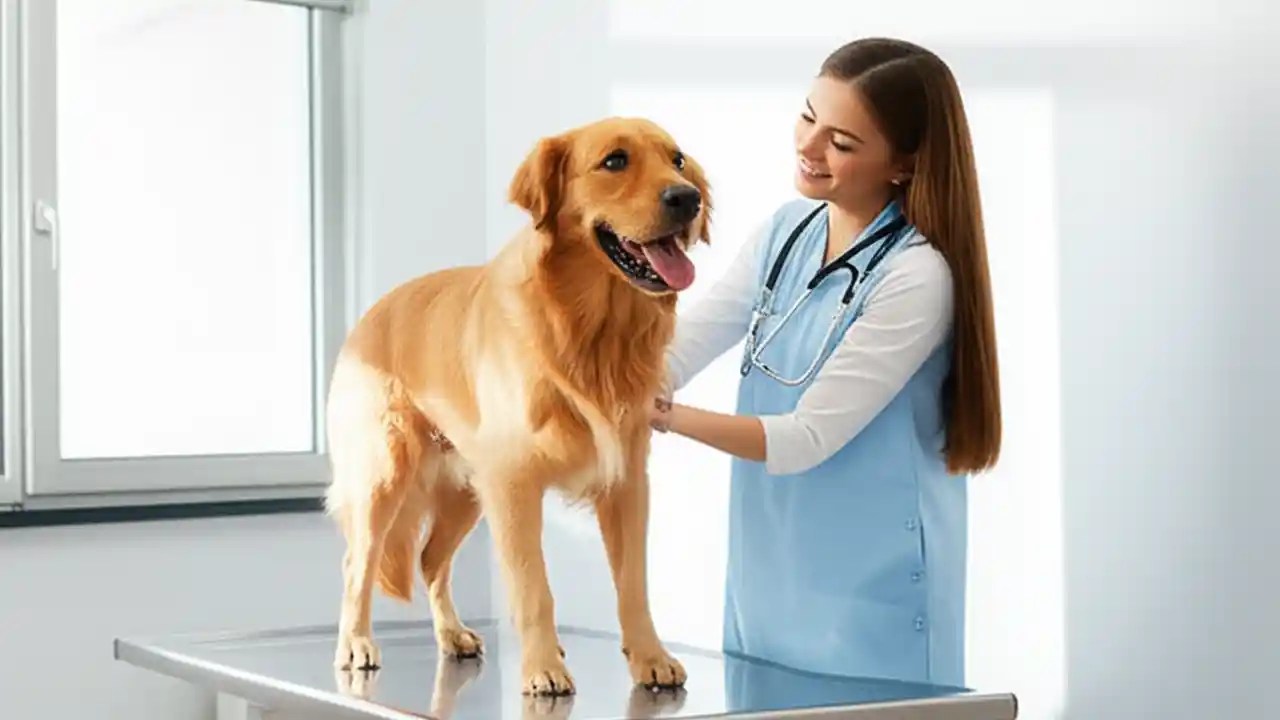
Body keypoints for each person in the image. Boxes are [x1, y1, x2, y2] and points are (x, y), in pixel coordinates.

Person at [648, 37, 1002, 689]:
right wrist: (579, 388)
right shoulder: (787, 231)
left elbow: (806, 436)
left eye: (841, 142)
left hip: (870, 603)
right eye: (809, 117)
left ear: (903, 163)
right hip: (767, 585)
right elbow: (681, 346)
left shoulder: (916, 277)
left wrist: (659, 414)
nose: (808, 147)